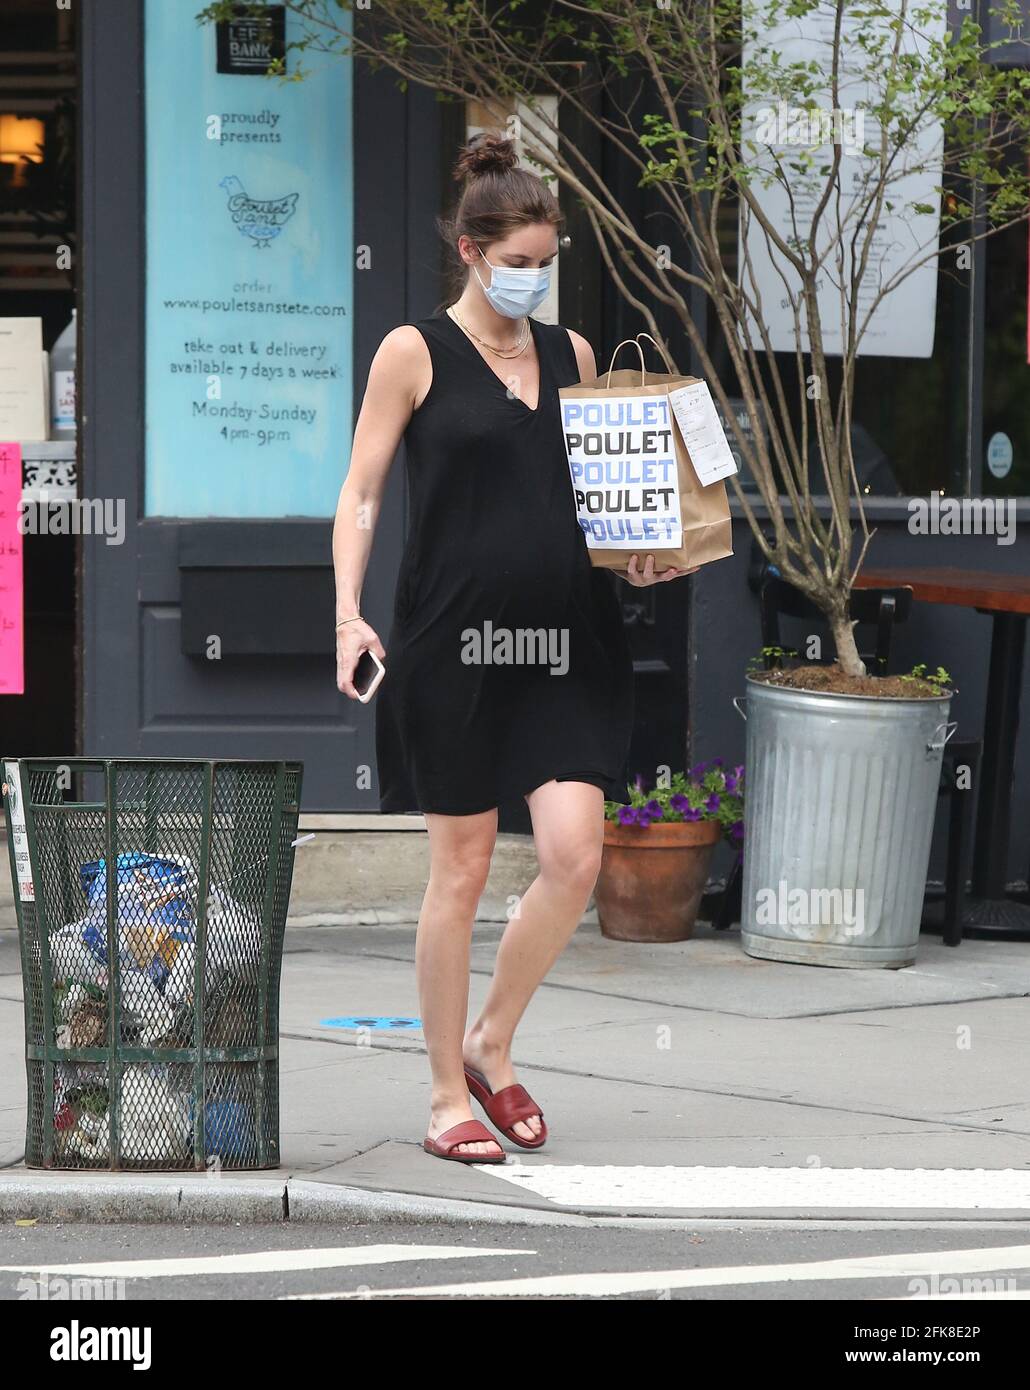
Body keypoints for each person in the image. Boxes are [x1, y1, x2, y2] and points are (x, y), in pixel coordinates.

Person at [332, 132, 694, 1163]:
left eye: (546, 261)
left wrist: (636, 560)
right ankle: (447, 1089)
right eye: (516, 261)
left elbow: (589, 506)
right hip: (453, 642)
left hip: (566, 641)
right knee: (461, 870)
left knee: (576, 855)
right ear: (469, 249)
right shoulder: (412, 352)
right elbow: (359, 493)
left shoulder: (573, 356)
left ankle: (494, 1037)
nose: (532, 279)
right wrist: (347, 610)